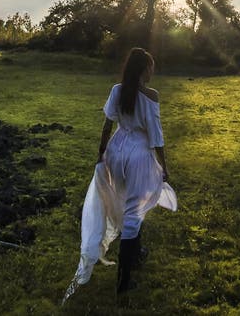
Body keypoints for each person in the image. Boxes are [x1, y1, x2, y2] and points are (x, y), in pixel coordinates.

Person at [63, 48, 177, 303]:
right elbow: (156, 136)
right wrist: (164, 167)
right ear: (144, 69)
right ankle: (124, 283)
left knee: (129, 204)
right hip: (138, 156)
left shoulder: (117, 90)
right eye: (151, 67)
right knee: (134, 212)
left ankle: (136, 254)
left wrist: (101, 154)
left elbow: (107, 126)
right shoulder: (151, 95)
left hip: (116, 152)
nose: (153, 71)